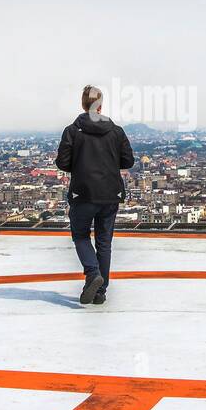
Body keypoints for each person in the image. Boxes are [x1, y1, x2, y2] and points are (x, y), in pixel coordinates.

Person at [56, 85, 135, 305]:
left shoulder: (72, 131)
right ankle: (100, 292)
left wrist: (80, 163)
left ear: (83, 104)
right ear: (100, 106)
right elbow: (128, 161)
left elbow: (62, 163)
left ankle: (92, 273)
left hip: (82, 193)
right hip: (110, 193)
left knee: (81, 236)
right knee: (104, 242)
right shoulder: (116, 131)